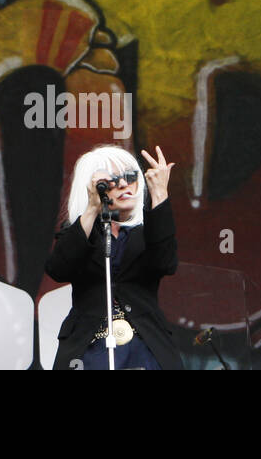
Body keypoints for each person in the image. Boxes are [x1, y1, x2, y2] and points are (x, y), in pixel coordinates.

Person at [46, 145, 184, 370]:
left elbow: (165, 262)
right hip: (90, 351)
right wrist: (91, 209)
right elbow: (59, 269)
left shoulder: (149, 232)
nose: (123, 184)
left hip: (144, 347)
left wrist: (159, 193)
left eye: (130, 177)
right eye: (110, 181)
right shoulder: (81, 232)